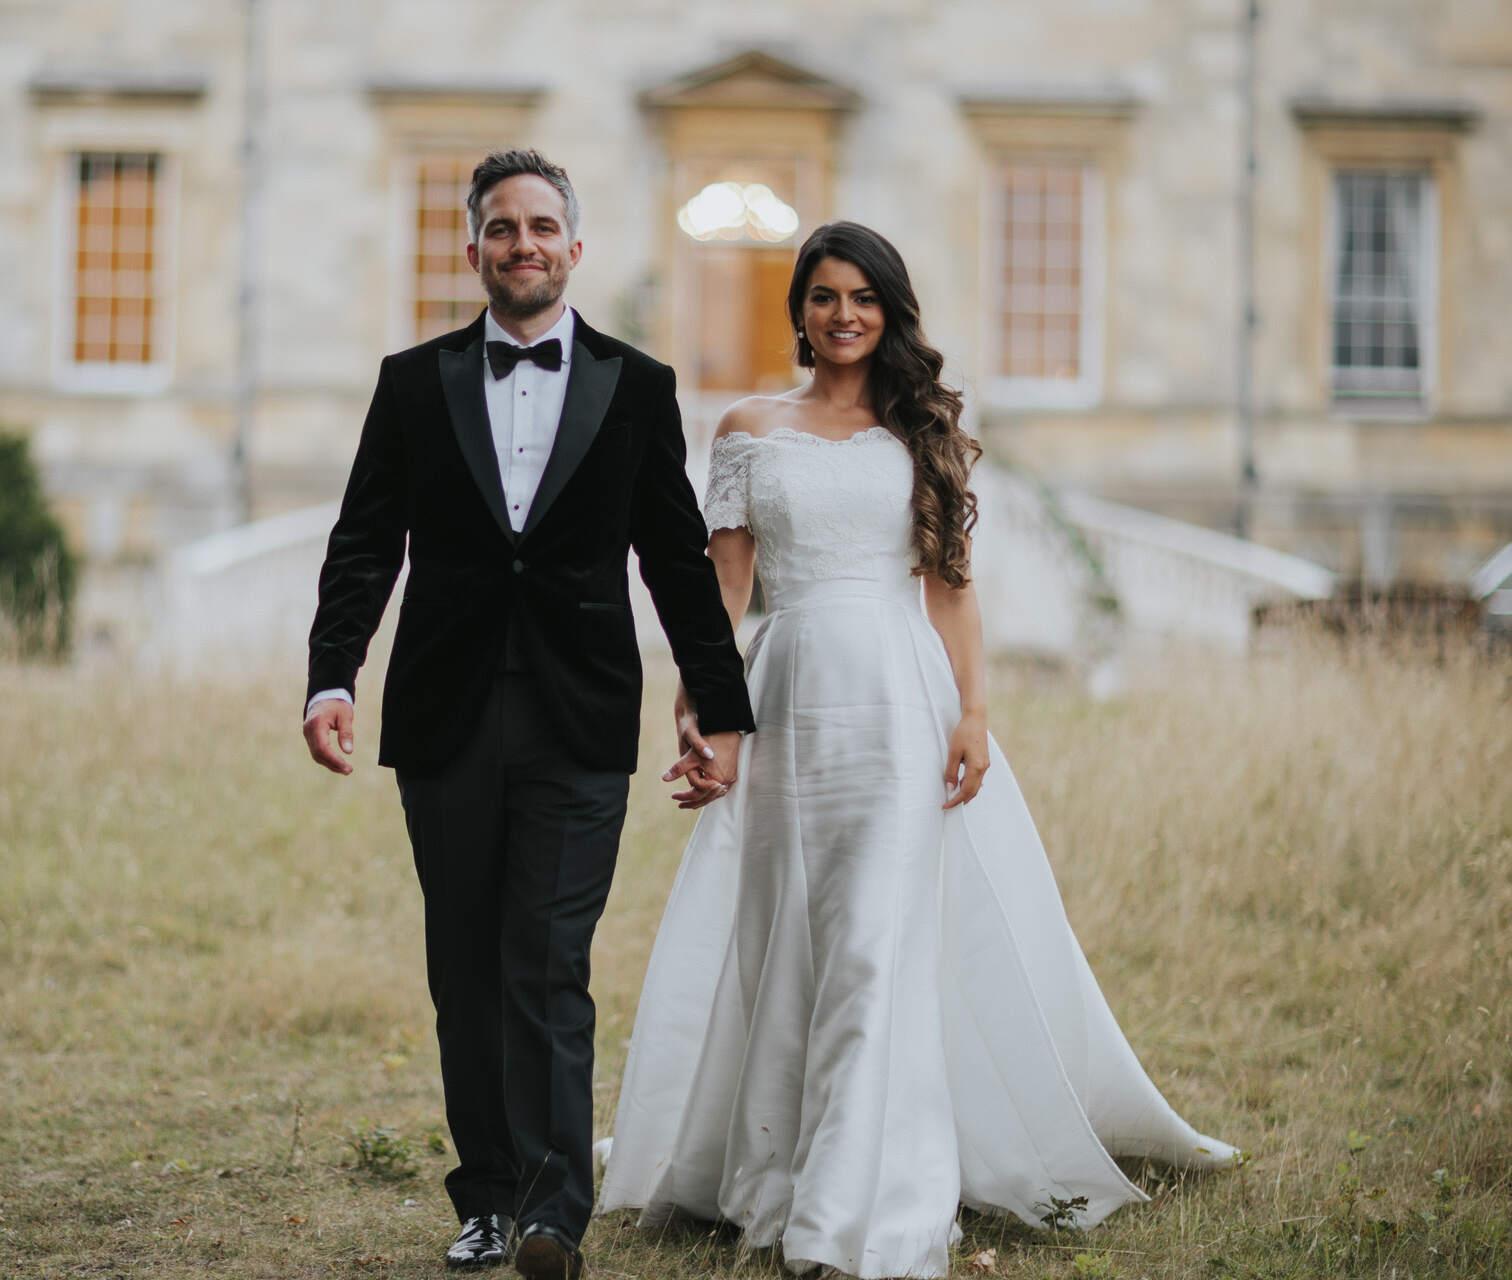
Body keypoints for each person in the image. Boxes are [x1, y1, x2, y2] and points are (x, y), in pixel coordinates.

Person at [597, 221, 1235, 1279]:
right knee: (786, 929)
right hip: (789, 693)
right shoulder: (749, 428)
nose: (844, 314)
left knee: (874, 940)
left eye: (864, 297)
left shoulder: (920, 429)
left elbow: (950, 583)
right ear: (798, 310)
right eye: (823, 296)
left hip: (901, 702)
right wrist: (702, 706)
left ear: (890, 311)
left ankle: (851, 1201)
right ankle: (776, 1167)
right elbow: (725, 589)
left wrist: (974, 712)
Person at [302, 149, 755, 1280]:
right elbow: (364, 543)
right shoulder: (413, 382)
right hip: (445, 716)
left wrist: (723, 709)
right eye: (502, 229)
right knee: (464, 963)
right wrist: (331, 675)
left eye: (543, 226)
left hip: (581, 717)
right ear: (475, 251)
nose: (523, 245)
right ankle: (489, 1197)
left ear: (575, 246)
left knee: (547, 957)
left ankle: (557, 1209)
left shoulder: (636, 384)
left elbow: (677, 562)